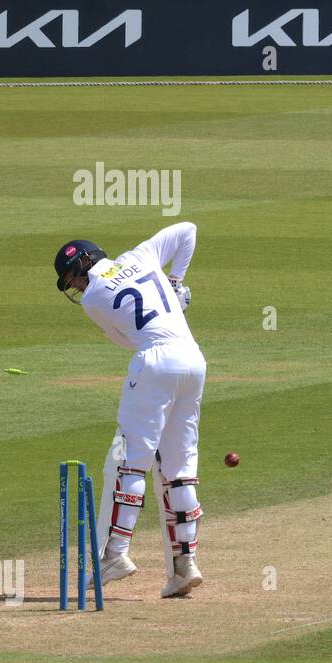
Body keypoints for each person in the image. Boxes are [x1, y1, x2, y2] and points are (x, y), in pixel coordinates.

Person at [53, 223, 207, 599]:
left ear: (86, 264)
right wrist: (174, 283)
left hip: (153, 362)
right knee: (180, 469)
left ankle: (116, 555)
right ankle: (185, 566)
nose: (76, 288)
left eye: (74, 279)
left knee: (132, 462)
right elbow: (188, 230)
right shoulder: (142, 255)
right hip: (193, 360)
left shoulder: (94, 300)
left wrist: (170, 292)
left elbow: (128, 340)